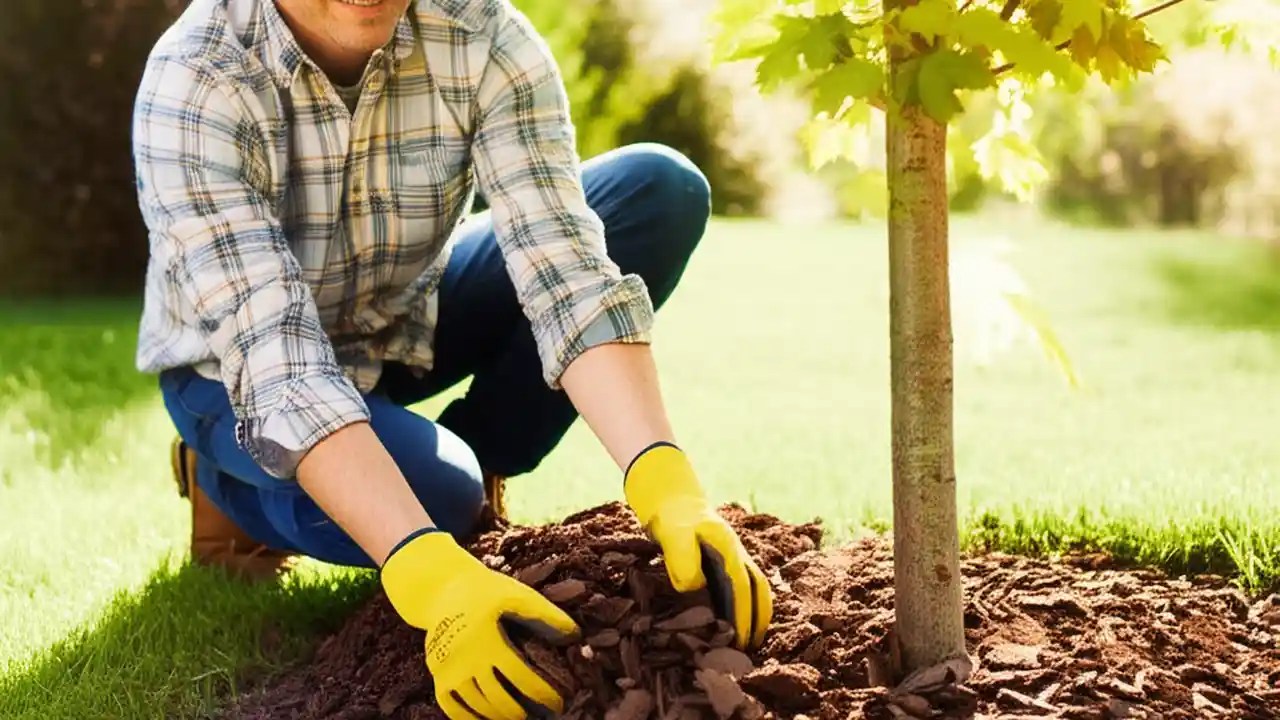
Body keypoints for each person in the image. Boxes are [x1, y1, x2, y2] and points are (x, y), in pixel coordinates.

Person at [132, 0, 772, 716]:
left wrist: (662, 476)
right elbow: (281, 368)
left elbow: (568, 272)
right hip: (234, 377)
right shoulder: (198, 76)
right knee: (440, 502)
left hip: (405, 314)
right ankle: (229, 485)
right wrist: (426, 569)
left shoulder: (480, 32)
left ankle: (459, 474)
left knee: (658, 190)